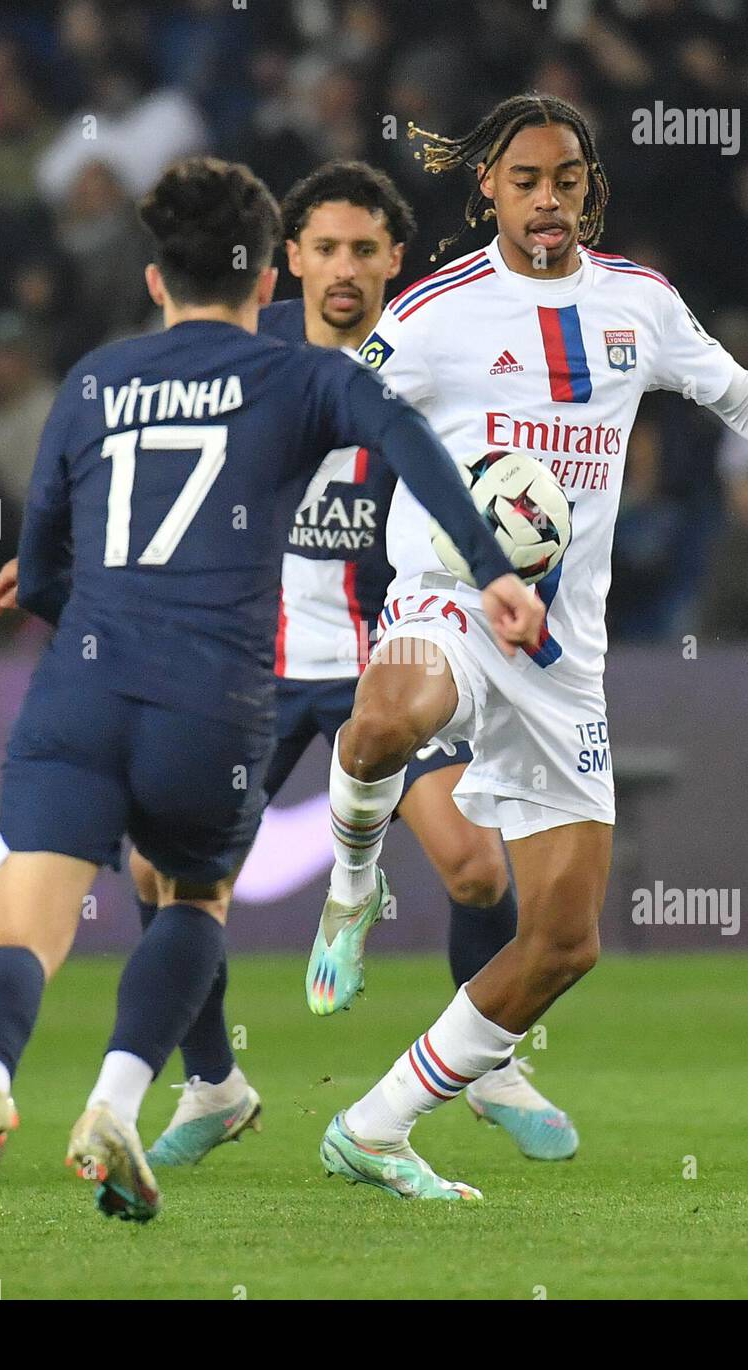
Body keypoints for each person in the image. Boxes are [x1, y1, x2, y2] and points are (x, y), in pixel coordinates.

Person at [311, 93, 748, 1201]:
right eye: (524, 181)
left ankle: (375, 1125)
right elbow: (326, 404)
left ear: (588, 187)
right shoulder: (433, 312)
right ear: (489, 192)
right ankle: (354, 880)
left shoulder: (640, 305)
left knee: (566, 943)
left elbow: (744, 398)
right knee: (383, 719)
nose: (547, 199)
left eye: (565, 179)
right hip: (454, 602)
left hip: (563, 658)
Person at [0, 155, 543, 1275]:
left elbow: (42, 572)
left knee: (22, 935)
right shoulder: (295, 378)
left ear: (155, 278)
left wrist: (53, 592)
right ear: (270, 280)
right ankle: (123, 1099)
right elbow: (402, 436)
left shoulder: (94, 383)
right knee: (192, 900)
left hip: (84, 689)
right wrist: (494, 566)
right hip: (213, 694)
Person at [132, 160, 579, 1167]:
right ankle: (212, 1084)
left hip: (392, 656)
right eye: (324, 248)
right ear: (285, 260)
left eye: (364, 250)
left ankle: (491, 1063)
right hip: (258, 663)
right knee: (161, 871)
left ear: (394, 262)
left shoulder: (434, 363)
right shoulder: (242, 359)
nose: (343, 268)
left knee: (472, 867)